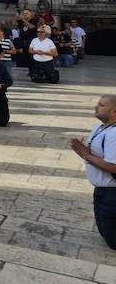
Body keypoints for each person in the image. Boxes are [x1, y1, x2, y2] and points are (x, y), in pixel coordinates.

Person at [68, 94, 116, 250]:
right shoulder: (99, 128)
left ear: (114, 112)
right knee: (104, 231)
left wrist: (86, 155)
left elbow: (113, 166)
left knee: (112, 239)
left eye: (102, 105)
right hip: (101, 190)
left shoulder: (114, 135)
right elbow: (95, 154)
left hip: (112, 192)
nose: (96, 106)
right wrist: (83, 150)